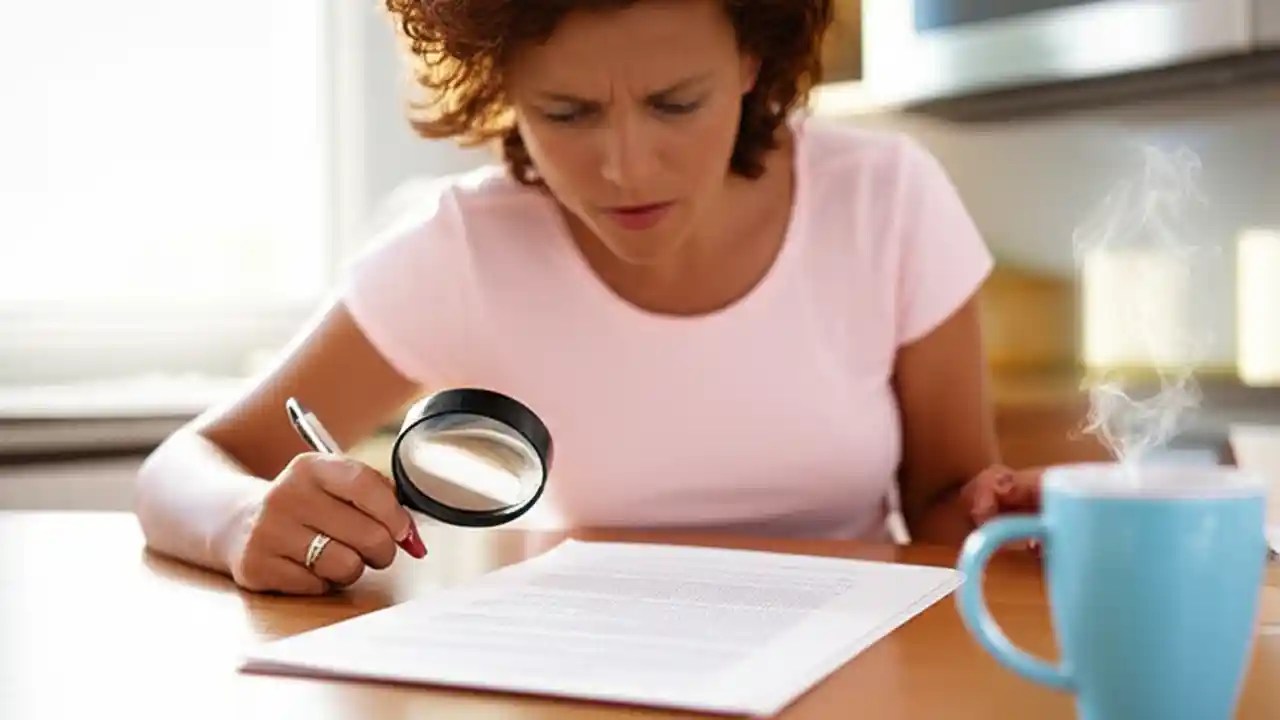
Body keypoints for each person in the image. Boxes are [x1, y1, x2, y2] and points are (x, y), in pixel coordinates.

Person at [134, 0, 1042, 596]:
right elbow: (189, 461)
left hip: (856, 670)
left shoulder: (885, 199)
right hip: (593, 679)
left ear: (752, 62)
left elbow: (942, 498)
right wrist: (243, 519)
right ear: (505, 92)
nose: (624, 167)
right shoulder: (470, 251)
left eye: (675, 103)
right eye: (566, 114)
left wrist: (1011, 517)